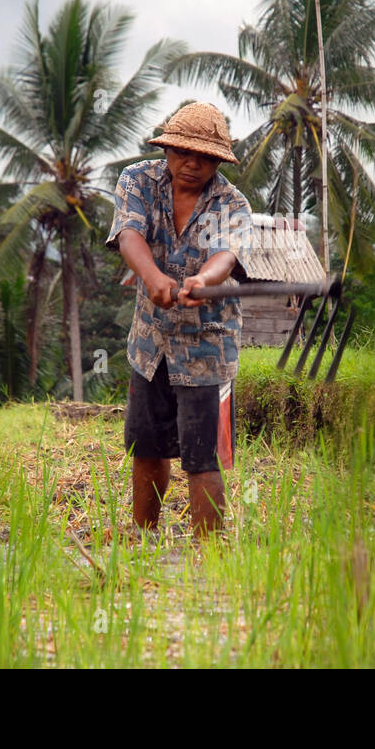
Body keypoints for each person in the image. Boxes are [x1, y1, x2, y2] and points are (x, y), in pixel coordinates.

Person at [106, 101, 253, 539]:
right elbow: (129, 234)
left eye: (205, 157)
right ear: (166, 148)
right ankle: (142, 537)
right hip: (151, 343)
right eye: (183, 153)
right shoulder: (137, 180)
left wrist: (202, 280)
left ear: (218, 162)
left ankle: (208, 557)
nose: (192, 163)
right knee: (147, 446)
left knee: (203, 458)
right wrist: (153, 278)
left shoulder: (231, 203)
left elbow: (226, 254)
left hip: (208, 347)